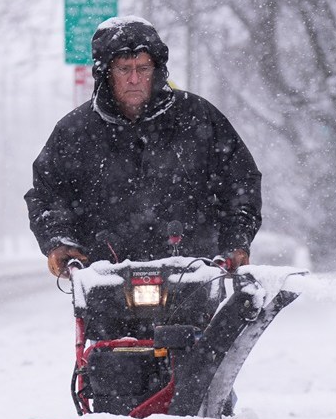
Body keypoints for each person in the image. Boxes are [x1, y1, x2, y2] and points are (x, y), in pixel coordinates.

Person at [25, 16, 261, 277]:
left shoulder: (197, 118)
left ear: (156, 70)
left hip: (193, 274)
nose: (134, 79)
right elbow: (48, 193)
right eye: (124, 69)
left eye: (143, 68)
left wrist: (236, 241)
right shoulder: (75, 131)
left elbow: (240, 180)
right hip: (105, 278)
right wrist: (59, 242)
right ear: (106, 73)